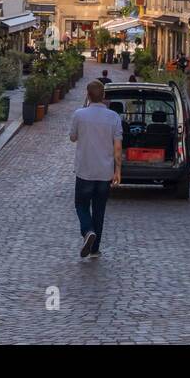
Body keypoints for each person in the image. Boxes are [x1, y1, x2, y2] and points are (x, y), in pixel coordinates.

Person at [69, 81, 123, 259]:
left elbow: (72, 137)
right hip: (104, 172)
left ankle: (88, 231)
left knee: (81, 205)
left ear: (87, 95)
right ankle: (94, 248)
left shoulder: (79, 115)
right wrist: (118, 171)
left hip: (85, 170)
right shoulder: (114, 117)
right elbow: (117, 148)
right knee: (99, 210)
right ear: (104, 96)